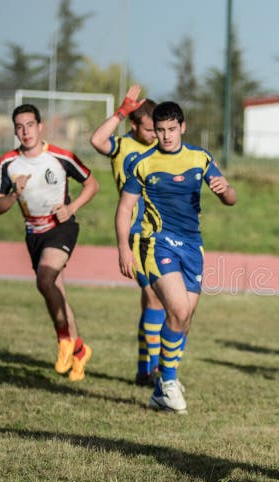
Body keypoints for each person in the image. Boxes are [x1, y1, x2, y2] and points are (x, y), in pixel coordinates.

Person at [115, 101, 236, 414]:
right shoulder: (142, 163)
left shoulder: (200, 157)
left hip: (193, 246)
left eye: (171, 129)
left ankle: (161, 389)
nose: (166, 136)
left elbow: (230, 198)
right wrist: (124, 248)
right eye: (160, 130)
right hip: (158, 244)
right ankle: (168, 381)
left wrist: (225, 190)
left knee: (184, 319)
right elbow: (124, 208)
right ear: (154, 131)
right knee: (178, 310)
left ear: (182, 127)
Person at [0, 103, 100, 381]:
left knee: (45, 278)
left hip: (61, 227)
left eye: (30, 125)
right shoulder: (8, 163)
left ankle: (64, 339)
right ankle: (79, 350)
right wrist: (14, 194)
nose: (25, 131)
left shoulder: (61, 157)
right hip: (34, 233)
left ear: (40, 127)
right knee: (55, 290)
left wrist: (71, 208)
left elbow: (92, 184)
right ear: (15, 131)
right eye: (19, 127)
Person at [90, 84, 165, 387]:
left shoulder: (161, 148)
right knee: (155, 297)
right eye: (149, 129)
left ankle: (143, 369)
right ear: (134, 125)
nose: (155, 135)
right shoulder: (122, 146)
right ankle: (156, 370)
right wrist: (121, 111)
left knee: (153, 301)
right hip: (135, 234)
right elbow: (97, 140)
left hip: (162, 233)